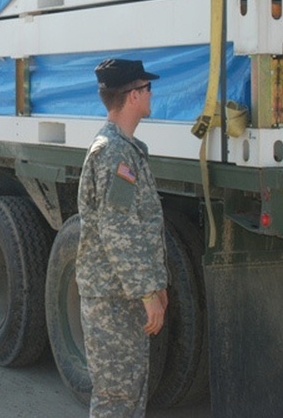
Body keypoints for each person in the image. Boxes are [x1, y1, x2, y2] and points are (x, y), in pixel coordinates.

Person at [76, 58, 170, 417]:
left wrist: (156, 283)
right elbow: (118, 228)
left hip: (122, 294)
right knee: (116, 399)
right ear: (133, 96)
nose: (151, 94)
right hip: (112, 299)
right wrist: (147, 292)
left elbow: (138, 226)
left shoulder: (126, 149)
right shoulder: (113, 152)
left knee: (131, 394)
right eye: (147, 88)